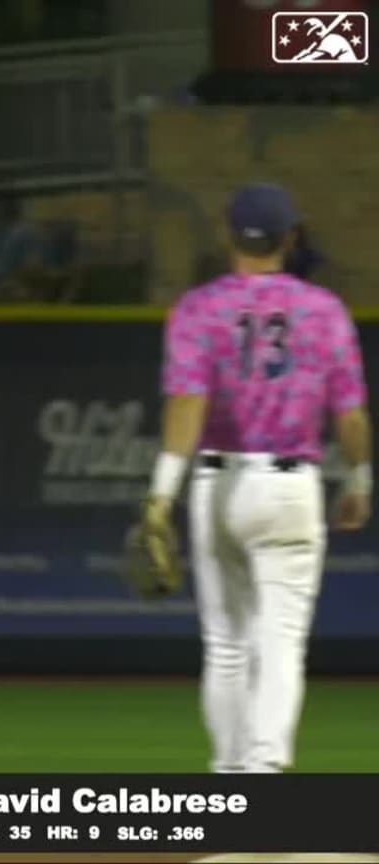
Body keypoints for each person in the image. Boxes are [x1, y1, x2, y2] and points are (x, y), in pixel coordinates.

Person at [144, 182, 371, 774]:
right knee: (279, 644)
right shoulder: (322, 310)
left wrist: (160, 495)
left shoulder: (199, 307)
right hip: (290, 485)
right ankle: (264, 777)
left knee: (225, 648)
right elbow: (349, 414)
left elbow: (186, 405)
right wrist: (361, 482)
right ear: (289, 238)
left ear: (227, 234)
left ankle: (227, 777)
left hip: (216, 482)